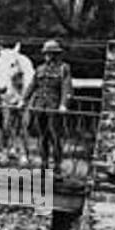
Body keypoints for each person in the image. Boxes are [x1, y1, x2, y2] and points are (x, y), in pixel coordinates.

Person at [25, 39, 73, 173]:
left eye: (51, 53)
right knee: (42, 136)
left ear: (56, 55)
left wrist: (63, 104)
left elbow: (66, 87)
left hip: (54, 107)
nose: (48, 56)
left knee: (55, 136)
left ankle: (57, 164)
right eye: (46, 53)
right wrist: (23, 100)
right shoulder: (40, 69)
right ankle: (44, 162)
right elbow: (32, 86)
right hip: (40, 106)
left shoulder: (63, 68)